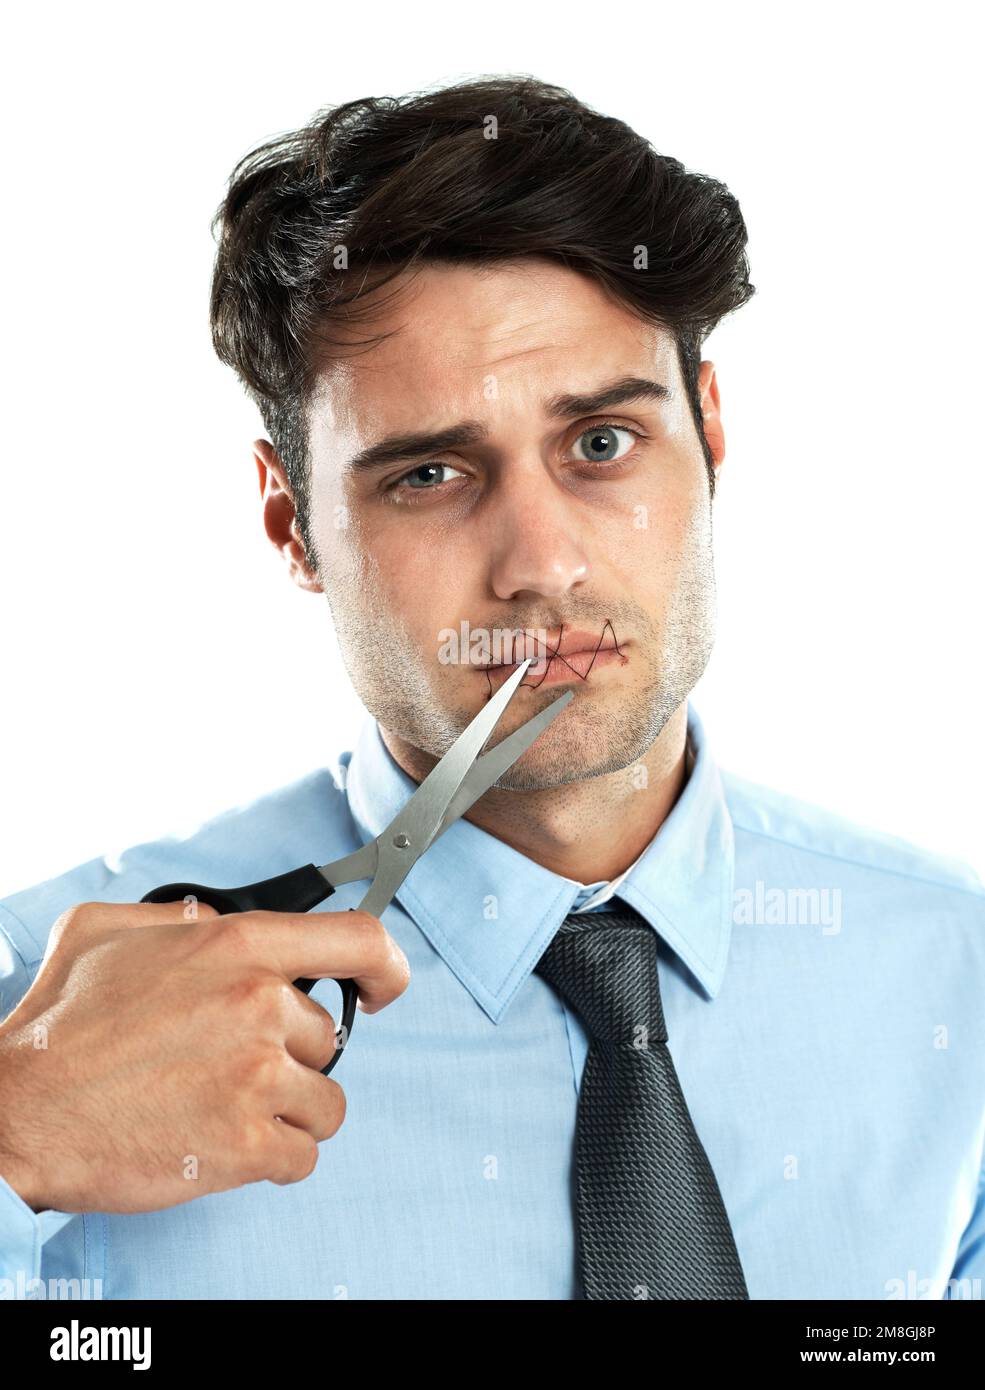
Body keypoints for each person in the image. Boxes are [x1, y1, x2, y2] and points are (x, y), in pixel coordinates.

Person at [1, 75, 982, 1302]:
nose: (542, 567)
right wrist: (17, 1133)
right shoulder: (45, 992)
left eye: (602, 444)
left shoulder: (958, 976)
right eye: (427, 473)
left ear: (710, 435)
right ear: (291, 525)